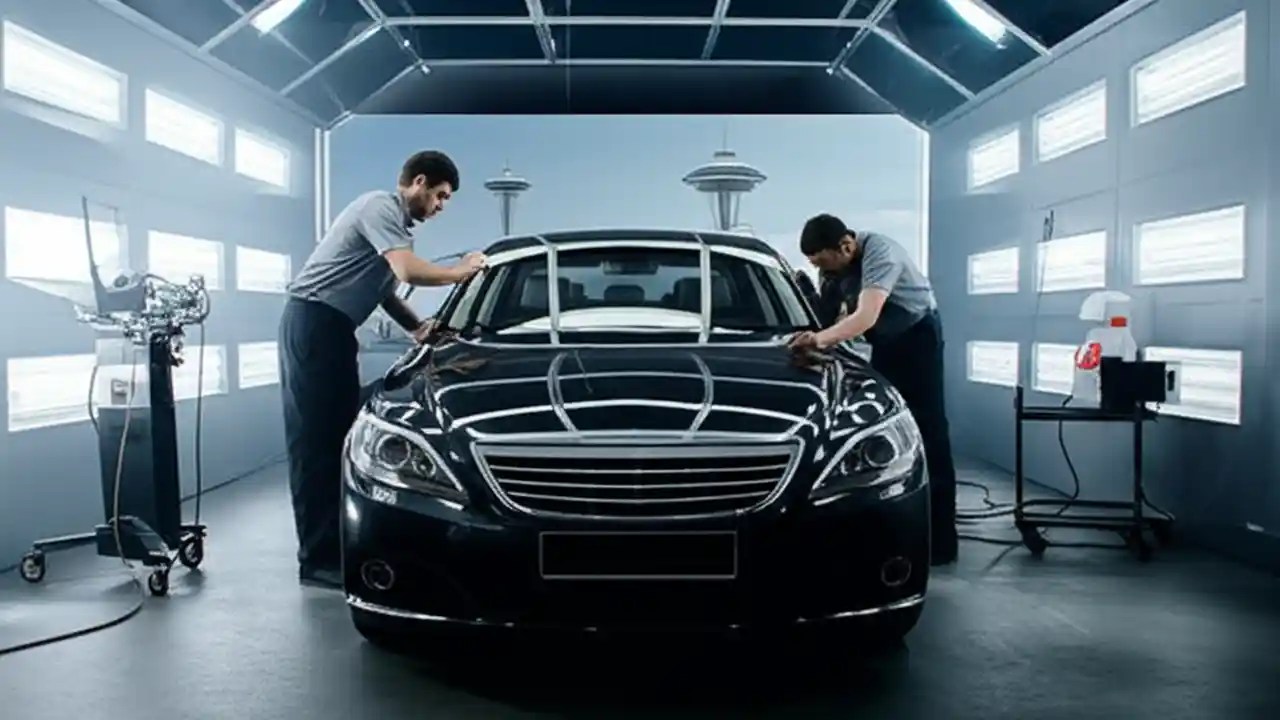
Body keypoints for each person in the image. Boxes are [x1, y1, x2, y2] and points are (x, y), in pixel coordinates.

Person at [279, 150, 486, 588]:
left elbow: (385, 290)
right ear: (419, 182)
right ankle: (316, 561)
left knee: (336, 435)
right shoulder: (379, 207)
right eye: (440, 197)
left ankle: (332, 548)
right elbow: (407, 270)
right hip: (314, 321)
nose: (441, 208)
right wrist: (461, 271)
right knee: (315, 443)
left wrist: (420, 329)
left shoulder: (393, 227)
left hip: (332, 327)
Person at [788, 213, 958, 565]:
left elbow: (864, 316)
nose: (823, 270)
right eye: (814, 264)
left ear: (846, 246)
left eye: (823, 261)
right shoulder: (833, 266)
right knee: (888, 427)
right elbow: (828, 316)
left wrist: (817, 340)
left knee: (929, 432)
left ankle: (942, 542)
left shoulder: (882, 253)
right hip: (886, 342)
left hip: (918, 337)